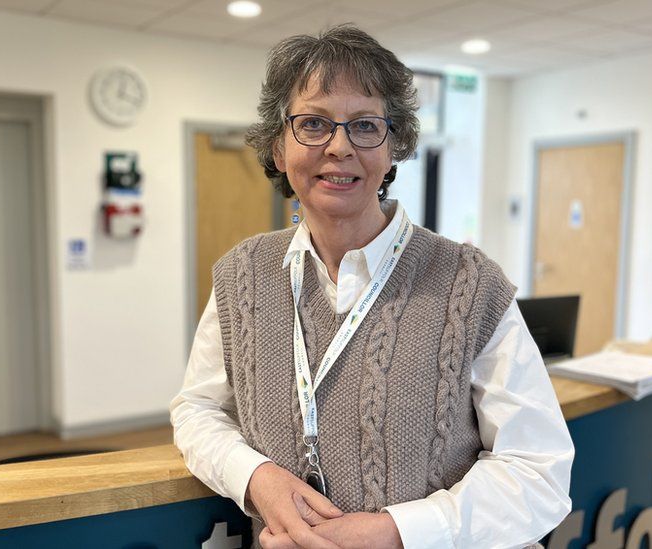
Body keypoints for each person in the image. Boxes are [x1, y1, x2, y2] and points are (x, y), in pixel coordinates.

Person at [171, 25, 574, 549]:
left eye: (364, 125)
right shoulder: (241, 275)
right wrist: (254, 477)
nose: (339, 147)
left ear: (395, 146)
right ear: (277, 145)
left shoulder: (469, 285)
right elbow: (197, 410)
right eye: (312, 123)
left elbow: (538, 472)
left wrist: (398, 532)